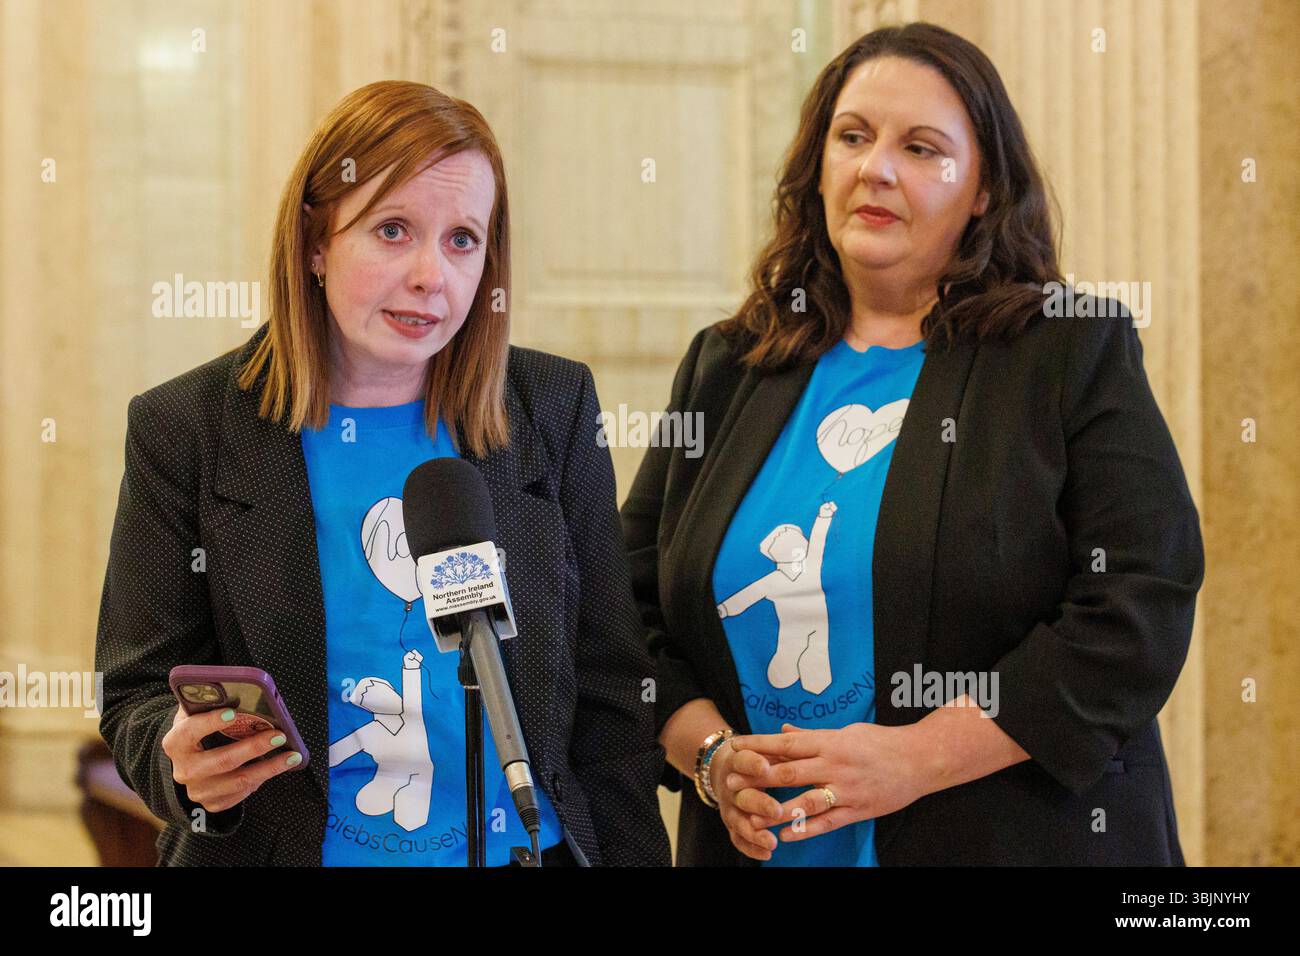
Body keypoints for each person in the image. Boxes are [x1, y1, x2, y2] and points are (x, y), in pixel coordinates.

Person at [622, 22, 1203, 866]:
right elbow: (622, 605)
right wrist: (711, 758)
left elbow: (1139, 605)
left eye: (922, 148)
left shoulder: (1069, 352)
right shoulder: (729, 365)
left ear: (982, 190)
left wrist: (914, 759)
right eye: (852, 136)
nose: (876, 168)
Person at [95, 80, 671, 867]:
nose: (432, 276)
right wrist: (182, 760)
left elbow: (612, 698)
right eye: (393, 230)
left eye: (462, 240)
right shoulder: (186, 429)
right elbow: (136, 692)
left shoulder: (552, 408)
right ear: (316, 243)